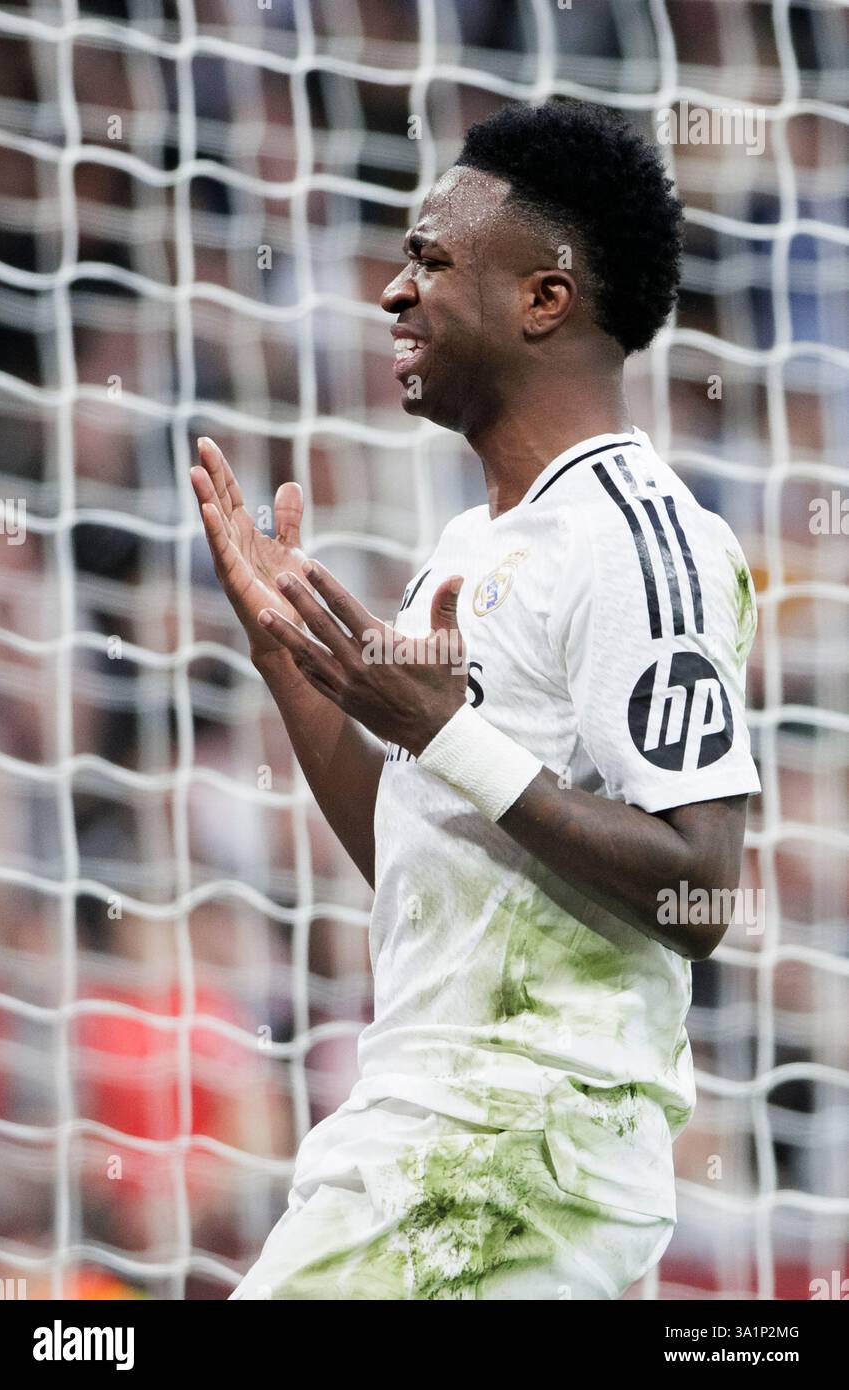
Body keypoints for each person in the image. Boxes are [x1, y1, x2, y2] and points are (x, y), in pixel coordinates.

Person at [191, 100, 761, 1300]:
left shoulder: (639, 538)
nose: (395, 293)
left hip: (516, 1160)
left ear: (541, 300)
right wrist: (287, 666)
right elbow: (426, 843)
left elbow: (704, 879)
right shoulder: (466, 544)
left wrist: (450, 732)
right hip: (433, 1137)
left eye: (430, 260)